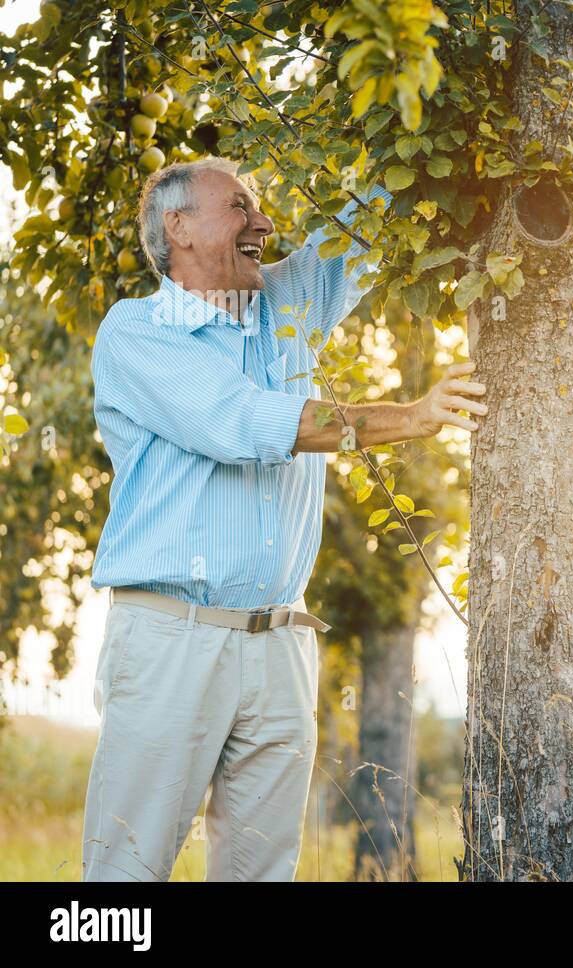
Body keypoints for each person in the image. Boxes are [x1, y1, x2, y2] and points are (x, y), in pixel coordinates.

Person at [82, 157, 487, 881]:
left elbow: (374, 212)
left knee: (263, 872)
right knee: (126, 873)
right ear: (177, 226)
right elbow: (243, 422)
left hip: (281, 644)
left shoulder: (287, 300)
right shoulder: (137, 333)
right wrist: (410, 416)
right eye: (239, 207)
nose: (262, 222)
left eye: (258, 208)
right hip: (172, 640)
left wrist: (415, 82)